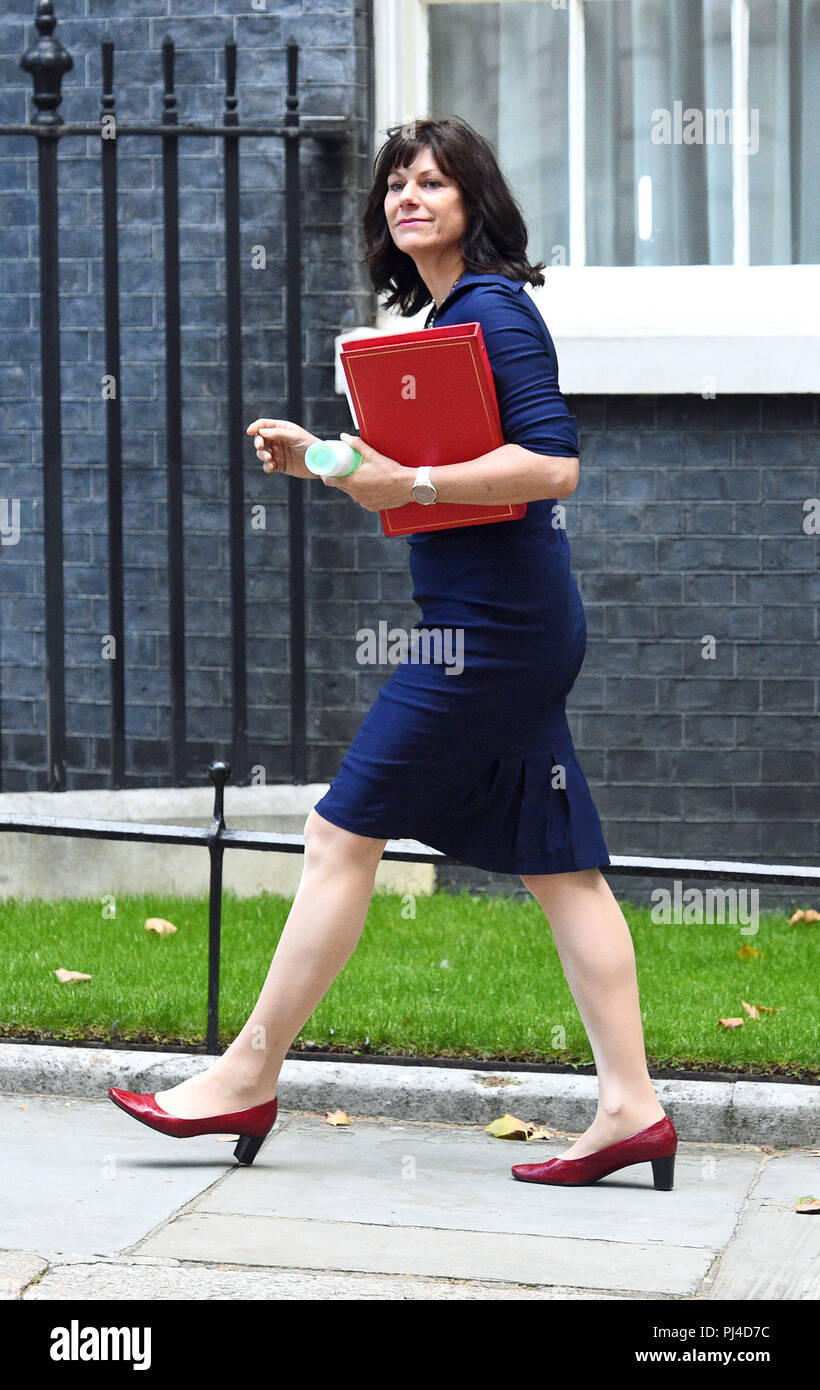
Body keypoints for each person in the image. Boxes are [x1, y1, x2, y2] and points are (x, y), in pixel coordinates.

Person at [109, 117, 677, 1190]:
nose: (408, 197)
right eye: (396, 185)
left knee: (338, 830)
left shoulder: (494, 309)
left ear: (475, 204)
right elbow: (422, 468)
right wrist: (322, 457)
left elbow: (546, 466)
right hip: (505, 624)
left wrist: (406, 482)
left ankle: (245, 1072)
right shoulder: (443, 323)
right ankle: (630, 1109)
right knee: (561, 869)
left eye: (434, 182)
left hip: (487, 638)